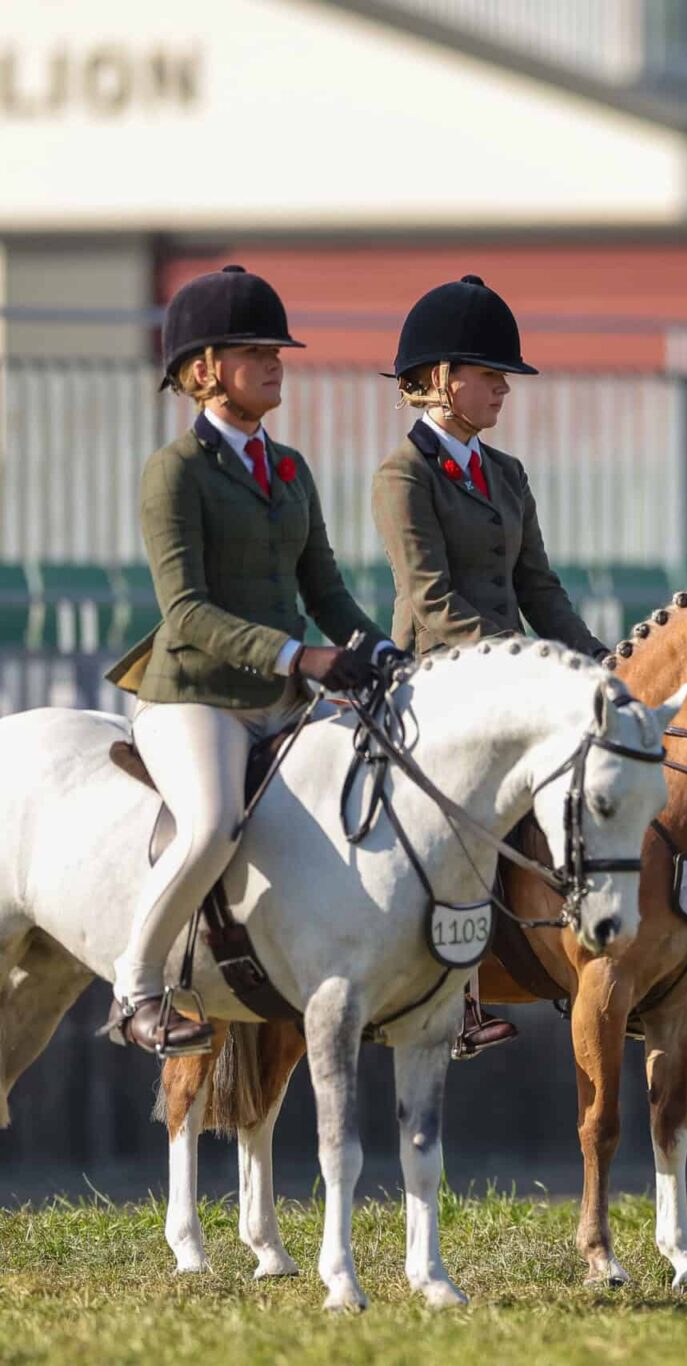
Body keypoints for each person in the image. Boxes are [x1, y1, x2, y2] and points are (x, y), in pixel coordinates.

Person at [104, 265, 395, 1056]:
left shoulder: (291, 468)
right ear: (203, 372)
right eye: (256, 352)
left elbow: (326, 589)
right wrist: (299, 656)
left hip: (285, 690)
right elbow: (187, 611)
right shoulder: (175, 472)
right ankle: (135, 987)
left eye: (279, 351)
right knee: (209, 827)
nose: (277, 363)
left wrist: (379, 648)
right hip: (196, 697)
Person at [372, 274, 608, 1055]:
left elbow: (539, 586)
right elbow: (432, 598)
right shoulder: (401, 477)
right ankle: (454, 990)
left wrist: (600, 662)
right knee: (462, 811)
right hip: (437, 677)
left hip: (517, 677)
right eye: (488, 373)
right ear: (440, 382)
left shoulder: (506, 474)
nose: (503, 387)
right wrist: (526, 667)